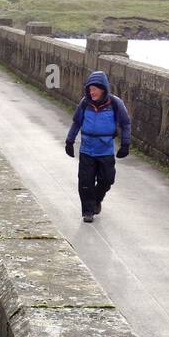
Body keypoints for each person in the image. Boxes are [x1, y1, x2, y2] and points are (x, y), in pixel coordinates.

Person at [64, 71, 131, 223]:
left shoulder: (115, 103)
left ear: (103, 89)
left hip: (105, 149)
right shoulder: (84, 103)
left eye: (94, 89)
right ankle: (88, 211)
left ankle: (96, 200)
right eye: (89, 89)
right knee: (85, 182)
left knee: (107, 179)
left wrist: (125, 144)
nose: (91, 92)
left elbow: (126, 124)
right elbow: (77, 122)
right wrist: (69, 141)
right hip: (87, 149)